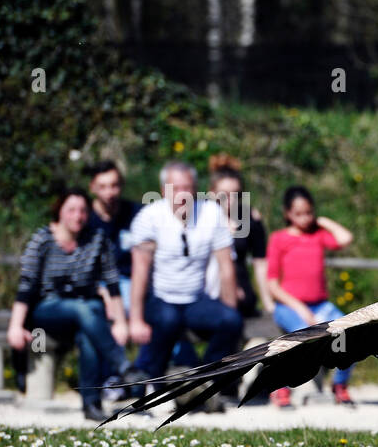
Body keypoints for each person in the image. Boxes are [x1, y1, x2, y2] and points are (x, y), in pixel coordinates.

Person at [5, 188, 139, 421]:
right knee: (87, 309)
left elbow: (112, 284)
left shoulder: (97, 239)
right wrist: (15, 326)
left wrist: (120, 323)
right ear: (60, 212)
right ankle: (122, 366)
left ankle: (91, 405)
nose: (77, 216)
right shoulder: (43, 240)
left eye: (82, 211)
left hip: (85, 312)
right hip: (46, 311)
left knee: (88, 327)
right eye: (71, 210)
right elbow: (26, 287)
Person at [127, 161, 242, 408]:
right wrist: (135, 319)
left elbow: (226, 267)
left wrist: (229, 308)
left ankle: (206, 378)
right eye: (174, 188)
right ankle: (155, 384)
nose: (181, 194)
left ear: (196, 189)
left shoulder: (211, 213)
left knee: (231, 321)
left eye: (187, 188)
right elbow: (140, 272)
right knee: (168, 320)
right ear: (163, 190)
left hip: (195, 299)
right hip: (161, 297)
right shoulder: (149, 217)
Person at [265, 186, 356, 407]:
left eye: (309, 212)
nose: (305, 218)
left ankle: (340, 385)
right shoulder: (279, 239)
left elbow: (345, 238)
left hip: (320, 304)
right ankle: (280, 386)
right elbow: (272, 284)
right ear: (287, 213)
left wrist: (323, 221)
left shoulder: (318, 235)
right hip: (289, 306)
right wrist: (302, 310)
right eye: (299, 214)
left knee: (350, 333)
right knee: (301, 339)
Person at [206, 154, 272, 320]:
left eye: (236, 194)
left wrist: (268, 302)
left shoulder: (250, 220)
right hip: (206, 292)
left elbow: (260, 264)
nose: (231, 200)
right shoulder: (199, 219)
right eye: (224, 194)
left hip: (242, 294)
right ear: (211, 193)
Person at [84, 160, 142, 310]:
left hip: (130, 281)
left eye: (114, 186)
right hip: (95, 284)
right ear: (92, 188)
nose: (109, 193)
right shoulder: (83, 218)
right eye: (102, 187)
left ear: (121, 185)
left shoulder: (138, 214)